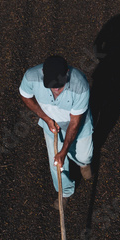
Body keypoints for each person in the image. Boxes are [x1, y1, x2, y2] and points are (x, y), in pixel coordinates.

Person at [19, 55, 93, 207]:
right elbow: (25, 96)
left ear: (67, 72)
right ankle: (64, 192)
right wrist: (46, 118)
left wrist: (64, 150)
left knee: (84, 155)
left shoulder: (80, 86)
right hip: (52, 124)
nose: (56, 89)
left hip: (77, 123)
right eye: (52, 86)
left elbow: (74, 123)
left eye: (60, 85)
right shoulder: (31, 77)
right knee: (56, 163)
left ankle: (83, 163)